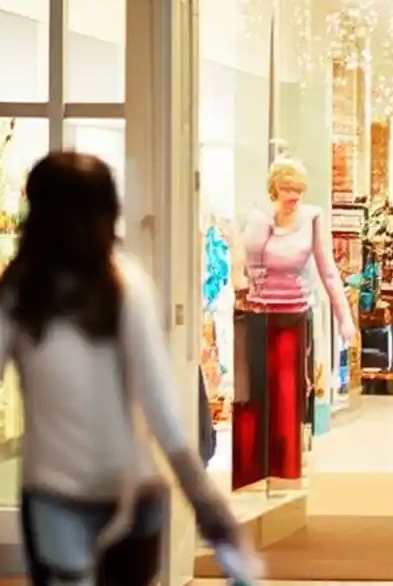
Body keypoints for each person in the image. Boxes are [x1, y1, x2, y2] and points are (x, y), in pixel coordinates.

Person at [0, 153, 238, 585]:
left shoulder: (19, 292)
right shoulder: (127, 285)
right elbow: (162, 411)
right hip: (132, 493)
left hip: (54, 495)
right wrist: (206, 504)